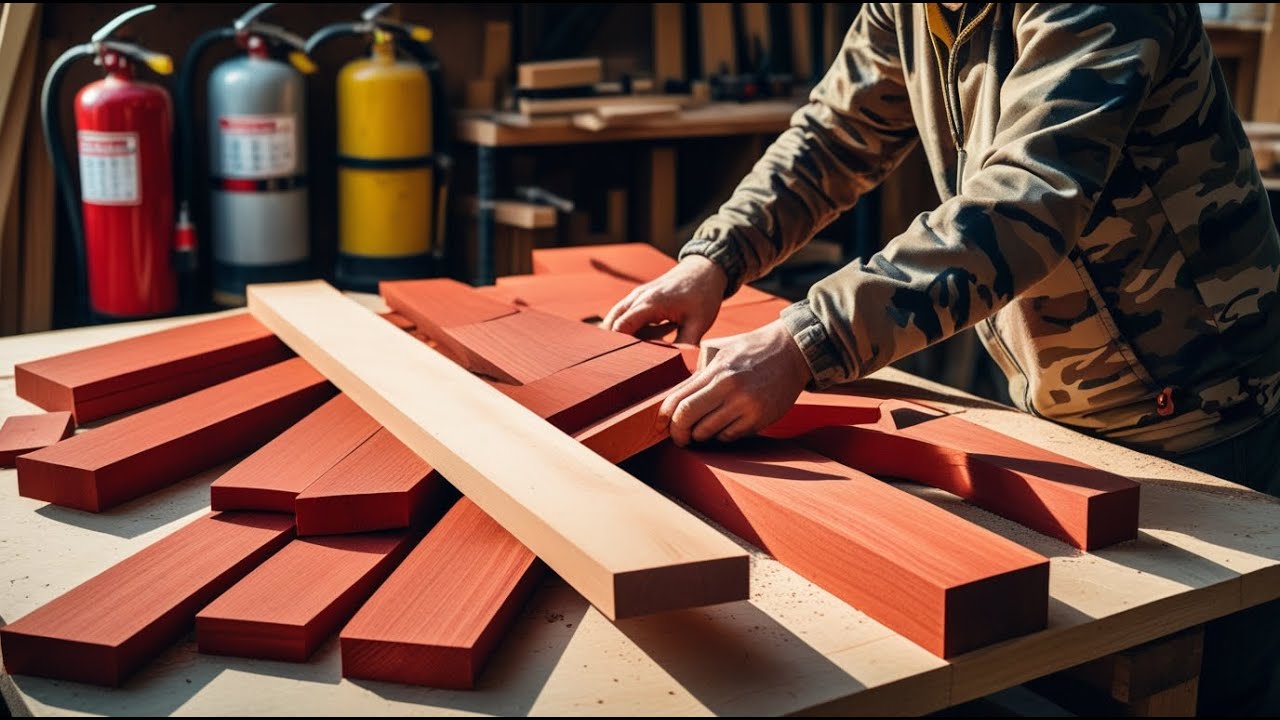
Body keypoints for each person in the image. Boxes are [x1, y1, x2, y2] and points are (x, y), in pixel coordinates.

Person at [603, 4, 1279, 714]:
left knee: (1197, 681)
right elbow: (835, 134)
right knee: (1051, 659)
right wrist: (716, 259)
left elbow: (1029, 198)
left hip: (1200, 399)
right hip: (1061, 389)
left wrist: (805, 341)